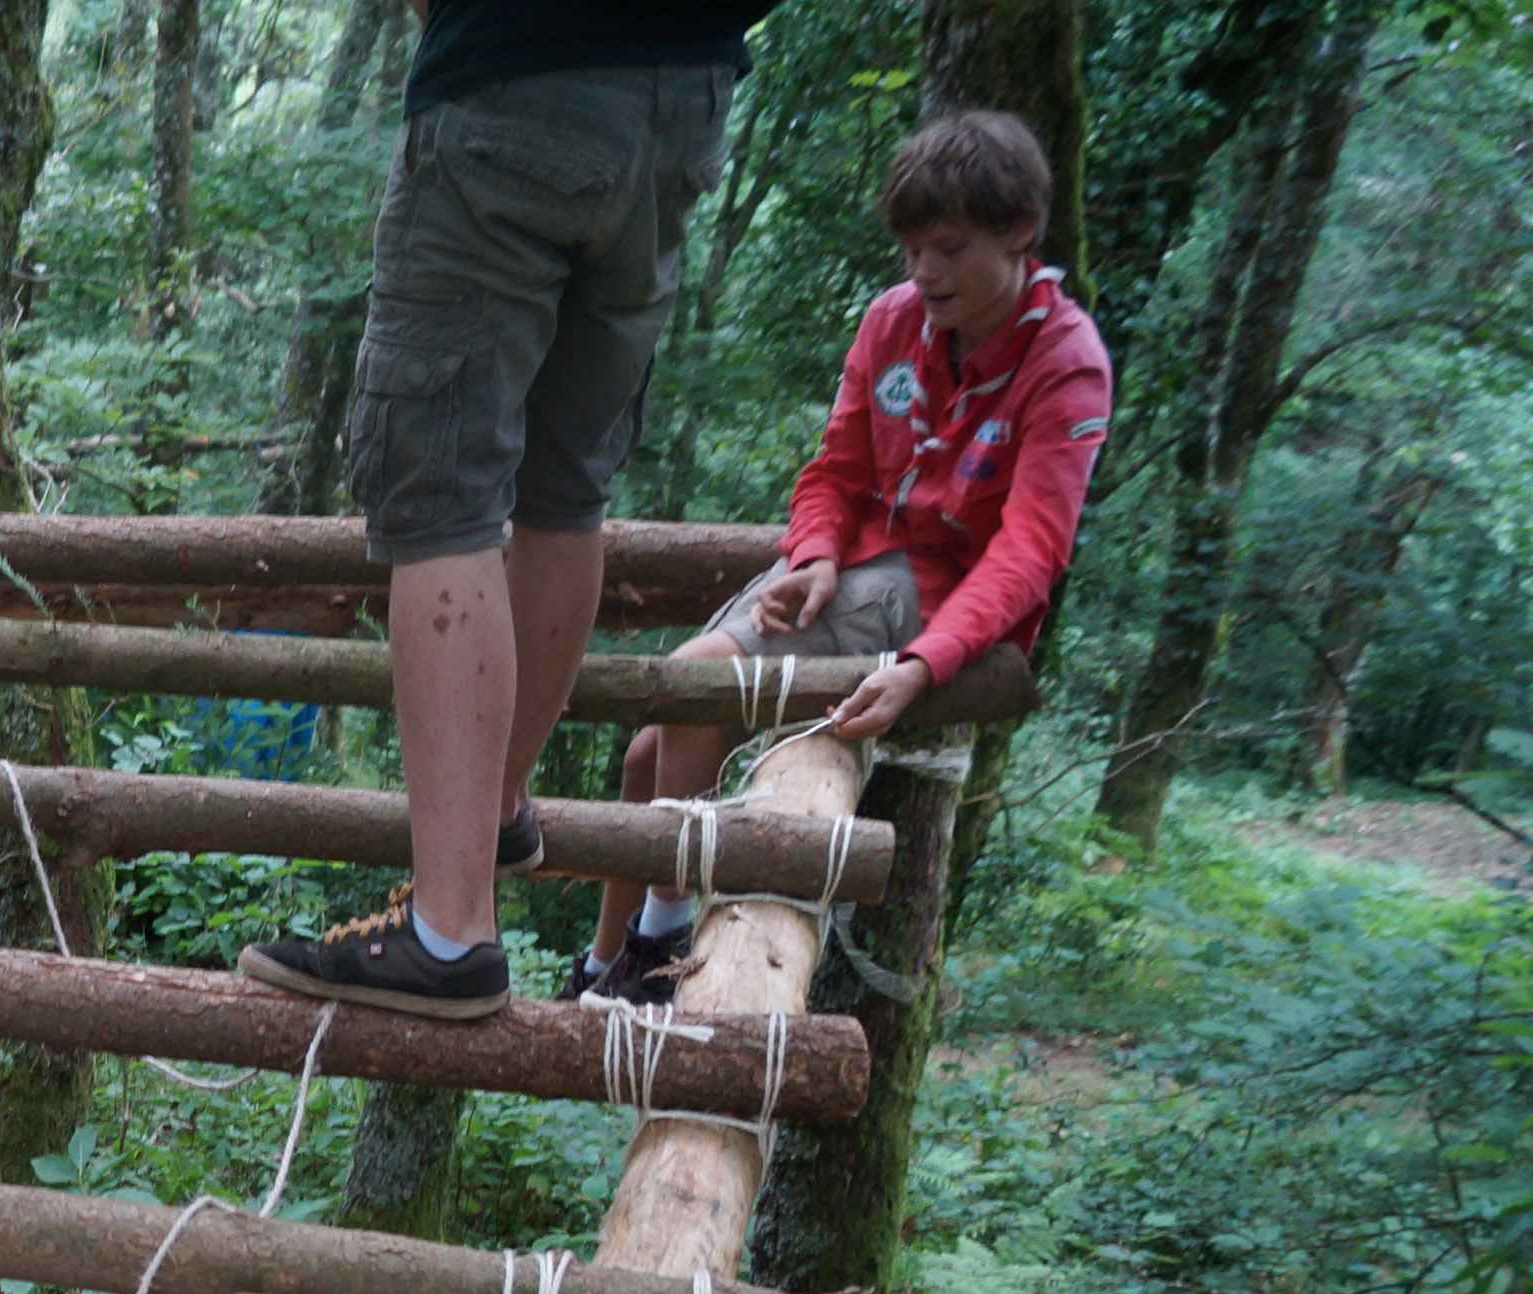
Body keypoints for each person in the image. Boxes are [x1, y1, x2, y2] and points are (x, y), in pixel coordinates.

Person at [235, 1, 773, 1021]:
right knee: (566, 488)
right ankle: (497, 809)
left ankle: (447, 930)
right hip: (685, 93)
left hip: (512, 73)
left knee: (439, 499)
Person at [571, 108, 1112, 1002]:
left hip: (936, 595)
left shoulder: (1066, 362)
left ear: (1020, 234)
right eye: (910, 251)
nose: (923, 272)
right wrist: (813, 555)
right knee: (650, 753)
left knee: (698, 678)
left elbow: (1031, 550)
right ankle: (602, 964)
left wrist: (923, 666)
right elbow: (835, 469)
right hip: (848, 574)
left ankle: (657, 948)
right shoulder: (895, 321)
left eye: (947, 248)